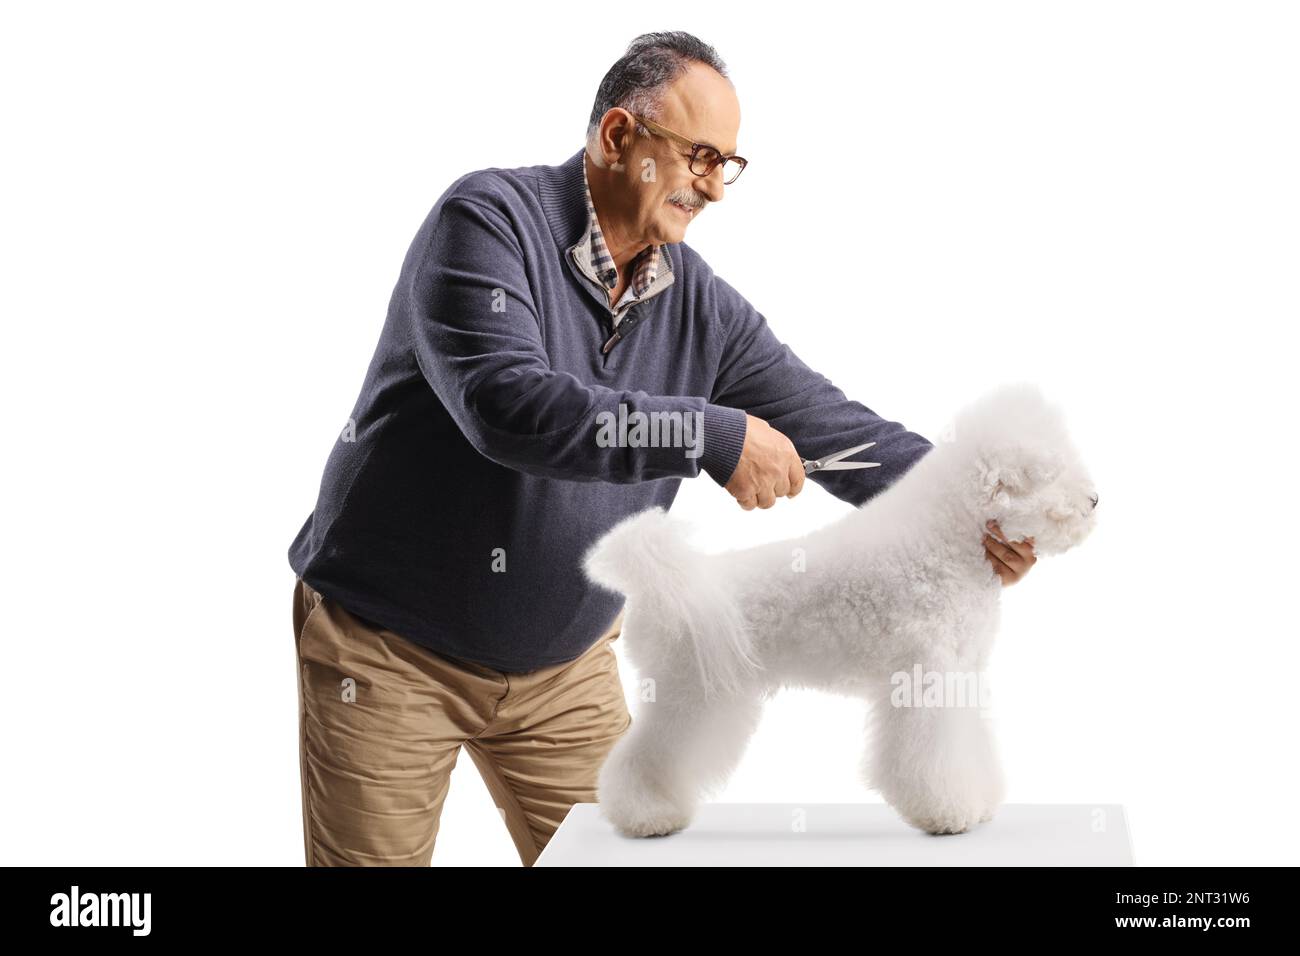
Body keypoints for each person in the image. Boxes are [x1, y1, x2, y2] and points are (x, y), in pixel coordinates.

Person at [287, 31, 1036, 867]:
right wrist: (708, 435)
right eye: (700, 157)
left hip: (563, 673)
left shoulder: (698, 303)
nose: (715, 188)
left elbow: (837, 432)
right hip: (389, 655)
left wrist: (978, 508)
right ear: (617, 138)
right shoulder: (486, 223)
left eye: (729, 165)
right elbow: (508, 407)